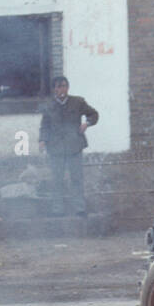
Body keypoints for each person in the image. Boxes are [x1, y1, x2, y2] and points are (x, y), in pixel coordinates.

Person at [39, 76, 99, 217]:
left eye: (64, 86)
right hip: (55, 148)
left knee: (76, 178)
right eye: (58, 86)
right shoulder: (48, 106)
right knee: (57, 179)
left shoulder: (78, 102)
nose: (62, 89)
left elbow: (94, 114)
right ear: (54, 89)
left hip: (74, 146)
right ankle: (57, 210)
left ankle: (79, 209)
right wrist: (42, 140)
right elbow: (45, 126)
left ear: (68, 87)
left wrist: (87, 123)